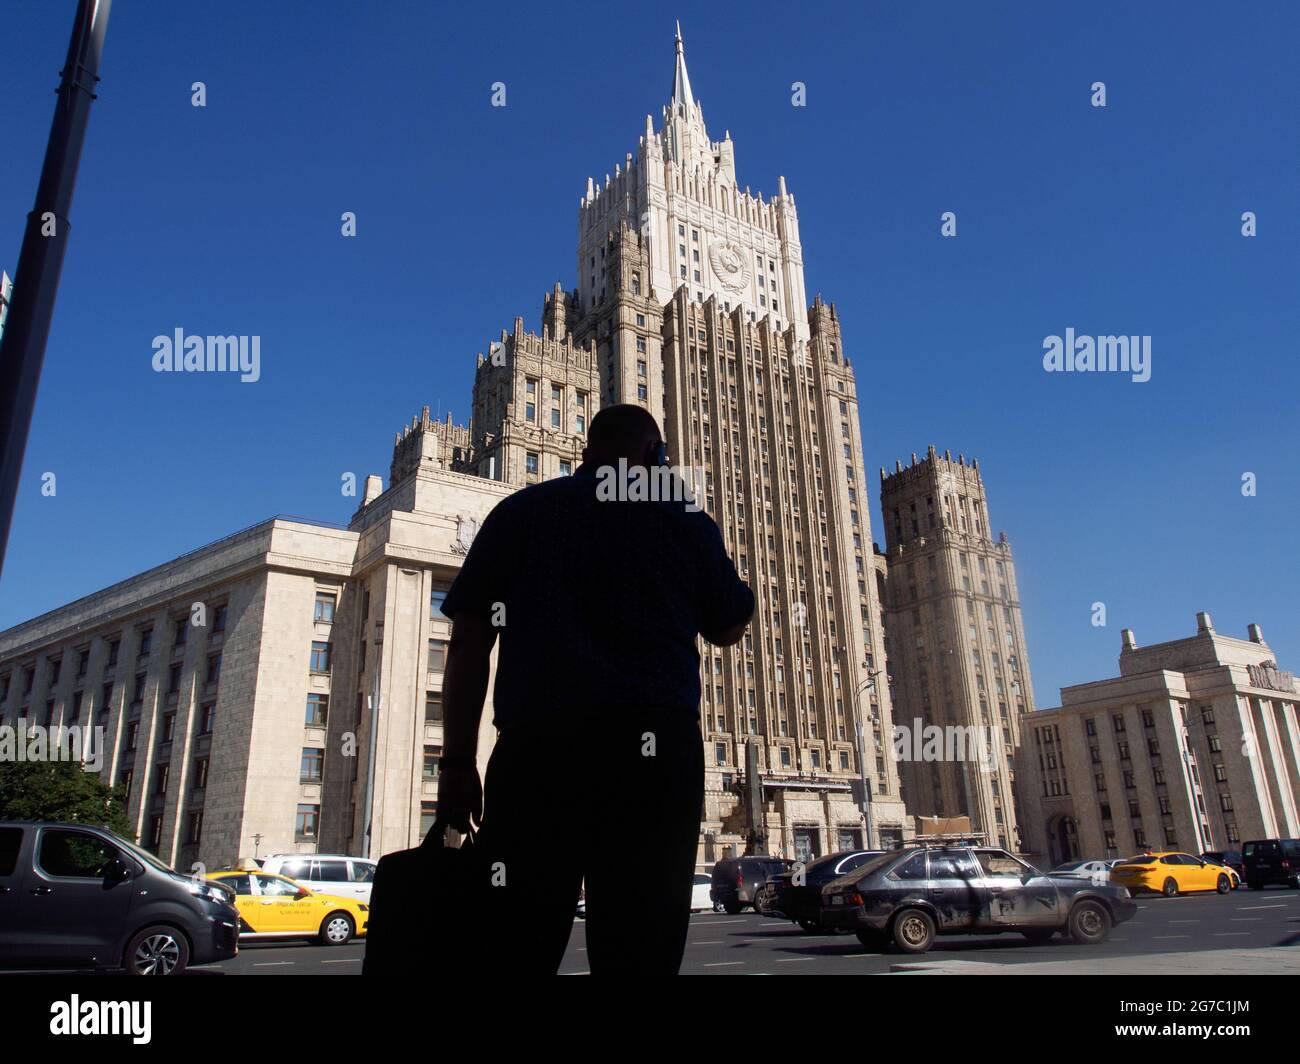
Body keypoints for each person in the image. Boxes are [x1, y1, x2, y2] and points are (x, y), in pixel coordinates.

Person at [436, 404, 754, 975]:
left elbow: (467, 643)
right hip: (652, 764)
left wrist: (458, 763)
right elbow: (729, 626)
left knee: (513, 948)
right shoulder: (682, 521)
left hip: (539, 757)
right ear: (654, 456)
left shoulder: (521, 513)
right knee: (639, 953)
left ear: (586, 453)